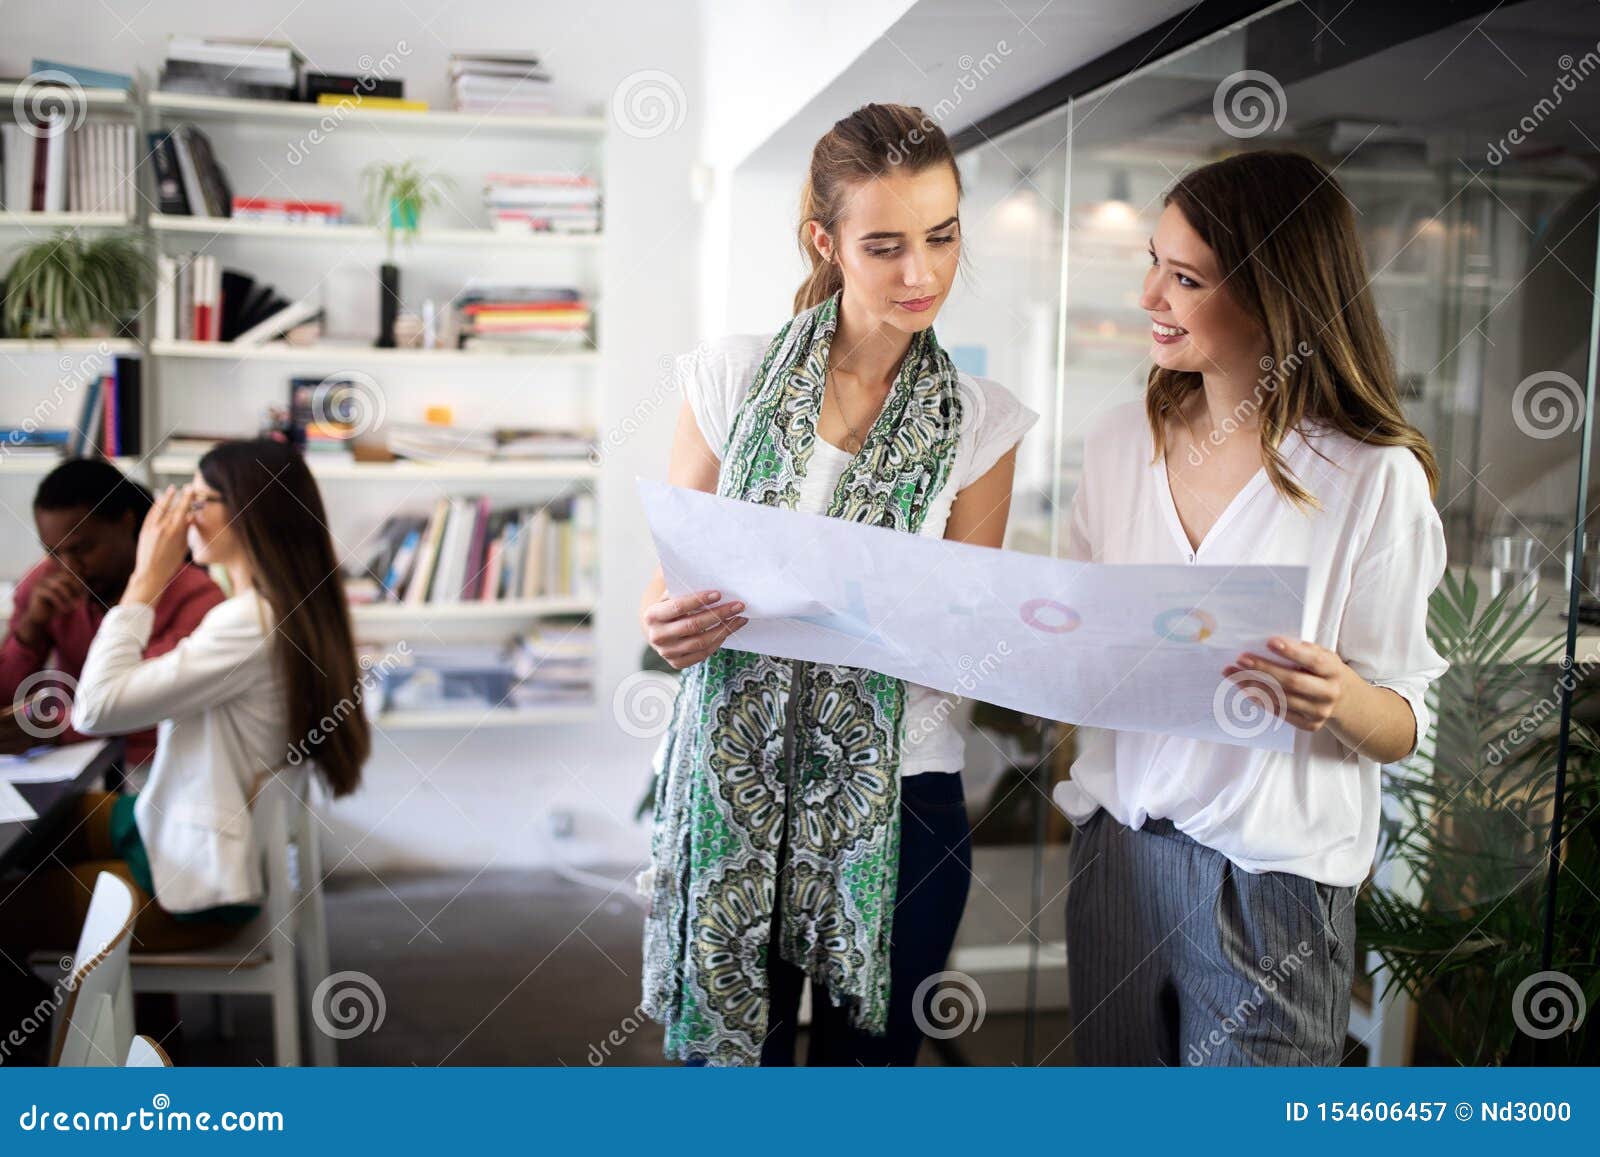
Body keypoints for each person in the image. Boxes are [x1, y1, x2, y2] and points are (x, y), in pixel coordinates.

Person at [637, 103, 1039, 1066]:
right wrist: (670, 626)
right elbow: (664, 590)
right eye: (886, 245)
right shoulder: (730, 380)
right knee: (748, 1065)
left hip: (902, 792)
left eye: (942, 237)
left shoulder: (981, 422)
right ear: (826, 241)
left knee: (870, 1075)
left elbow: (965, 619)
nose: (923, 273)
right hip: (738, 784)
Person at [1057, 150, 1449, 1066]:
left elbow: (1401, 724)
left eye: (1185, 277)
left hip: (1269, 891)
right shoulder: (1121, 442)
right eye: (1153, 260)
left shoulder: (1370, 478)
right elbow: (1078, 636)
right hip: (1117, 858)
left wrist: (1339, 697)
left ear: (1276, 297)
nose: (1149, 294)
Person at [0, 439, 370, 956]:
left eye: (196, 502)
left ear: (245, 512)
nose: (179, 519)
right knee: (54, 825)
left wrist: (146, 579)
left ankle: (63, 1030)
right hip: (194, 833)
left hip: (199, 889)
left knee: (10, 905)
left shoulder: (246, 622)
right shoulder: (268, 609)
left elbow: (96, 706)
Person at [0, 459, 224, 761]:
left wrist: (55, 727)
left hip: (151, 766)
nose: (69, 568)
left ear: (126, 523)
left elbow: (150, 703)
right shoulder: (42, 584)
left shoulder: (196, 596)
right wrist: (29, 630)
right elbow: (6, 701)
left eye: (81, 549)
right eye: (54, 552)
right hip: (66, 767)